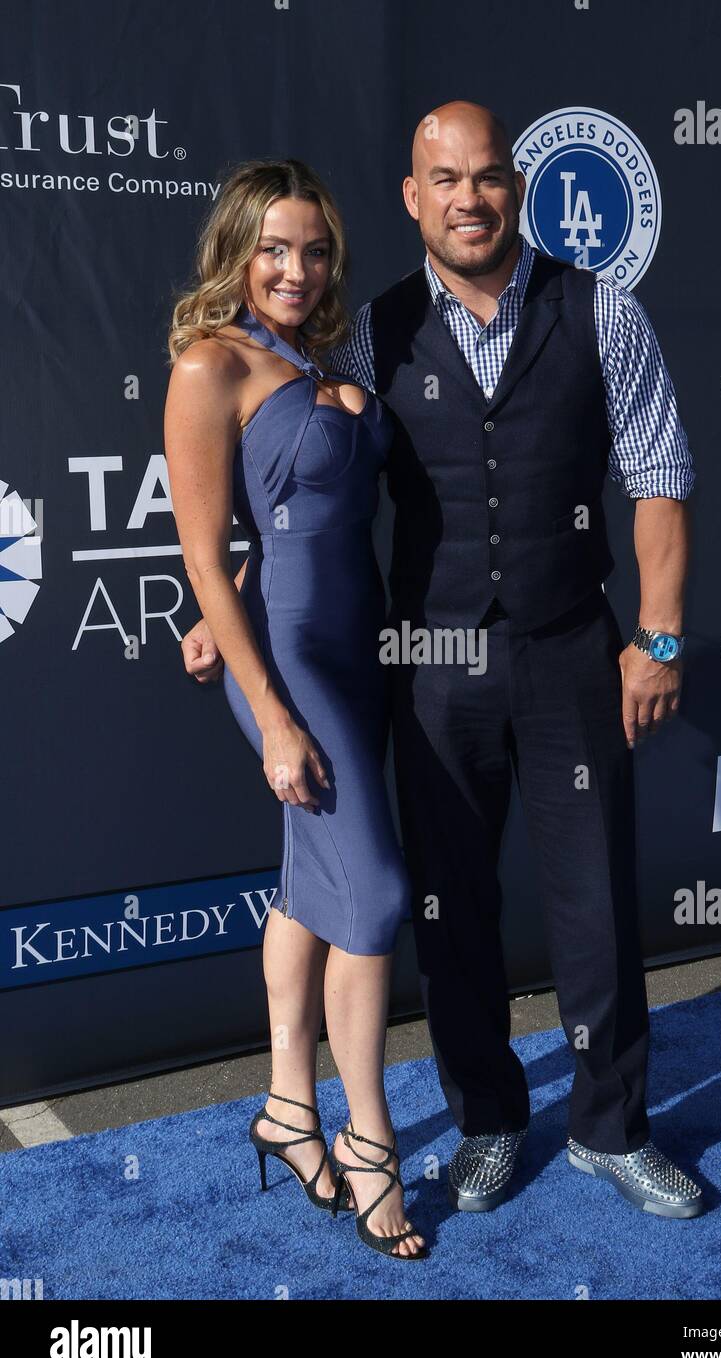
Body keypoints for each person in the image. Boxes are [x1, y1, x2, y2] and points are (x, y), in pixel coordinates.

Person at [182, 103, 705, 1220]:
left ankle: (611, 1126)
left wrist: (655, 636)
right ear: (413, 200)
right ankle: (486, 1118)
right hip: (427, 659)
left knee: (595, 898)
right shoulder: (369, 331)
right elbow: (304, 484)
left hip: (572, 648)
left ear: (514, 188)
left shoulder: (600, 308)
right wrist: (227, 608)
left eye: (487, 177)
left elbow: (658, 472)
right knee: (445, 904)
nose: (468, 197)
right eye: (443, 180)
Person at [164, 158, 427, 1259]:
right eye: (273, 248)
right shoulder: (207, 364)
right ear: (236, 250)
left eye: (314, 250)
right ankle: (372, 1139)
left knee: (306, 881)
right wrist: (267, 709)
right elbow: (205, 558)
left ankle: (285, 1105)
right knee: (370, 896)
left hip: (358, 651)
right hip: (287, 668)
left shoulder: (316, 352)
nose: (296, 269)